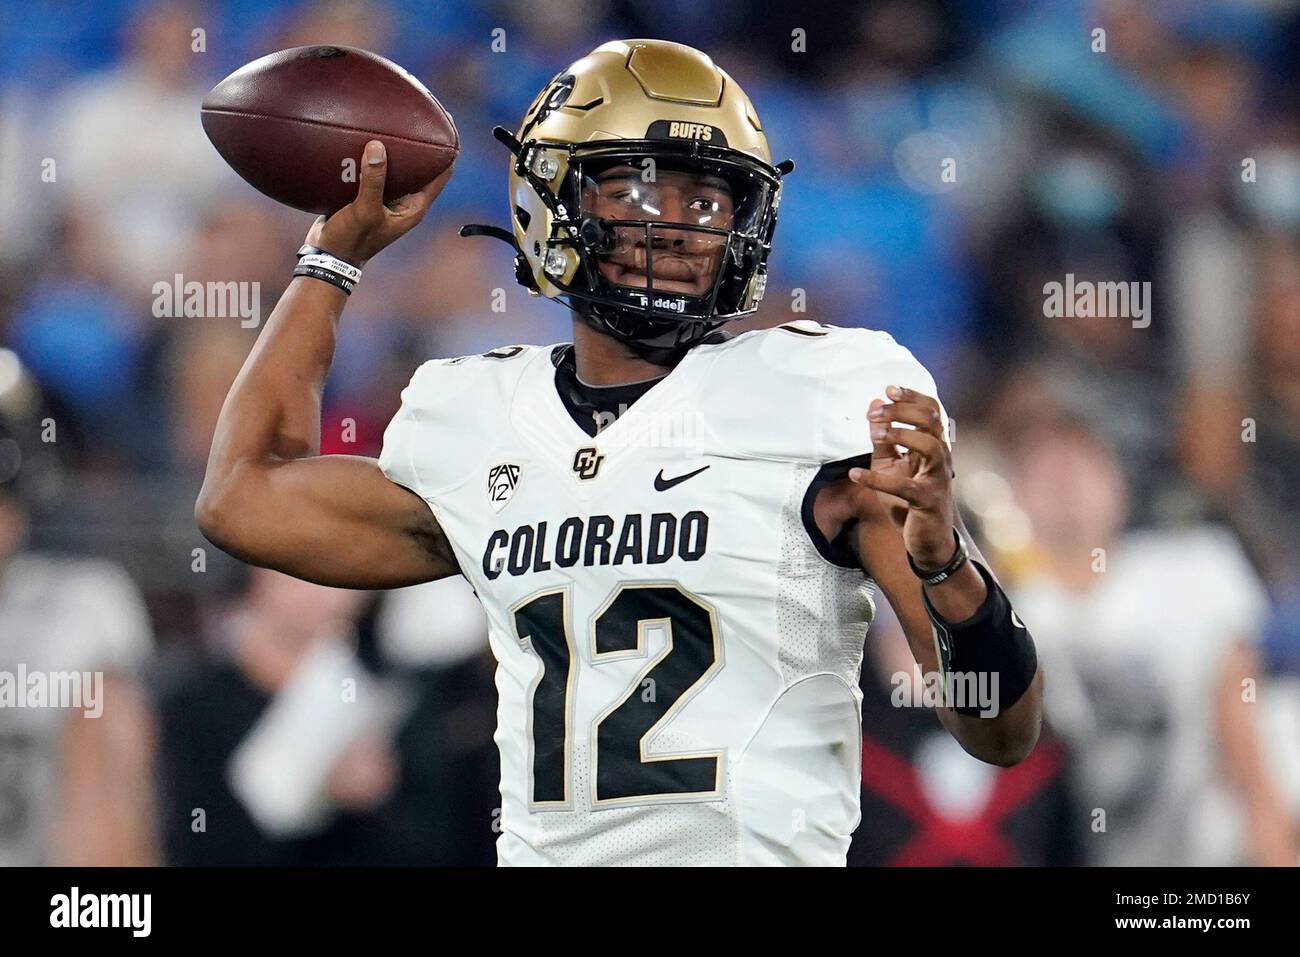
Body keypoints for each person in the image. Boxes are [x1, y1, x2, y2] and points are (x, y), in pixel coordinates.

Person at [197, 39, 1043, 866]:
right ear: (552, 202)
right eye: (637, 192)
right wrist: (332, 258)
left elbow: (1000, 731)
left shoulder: (820, 394)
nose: (675, 227)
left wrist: (947, 570)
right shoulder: (478, 417)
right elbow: (241, 495)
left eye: (709, 202)